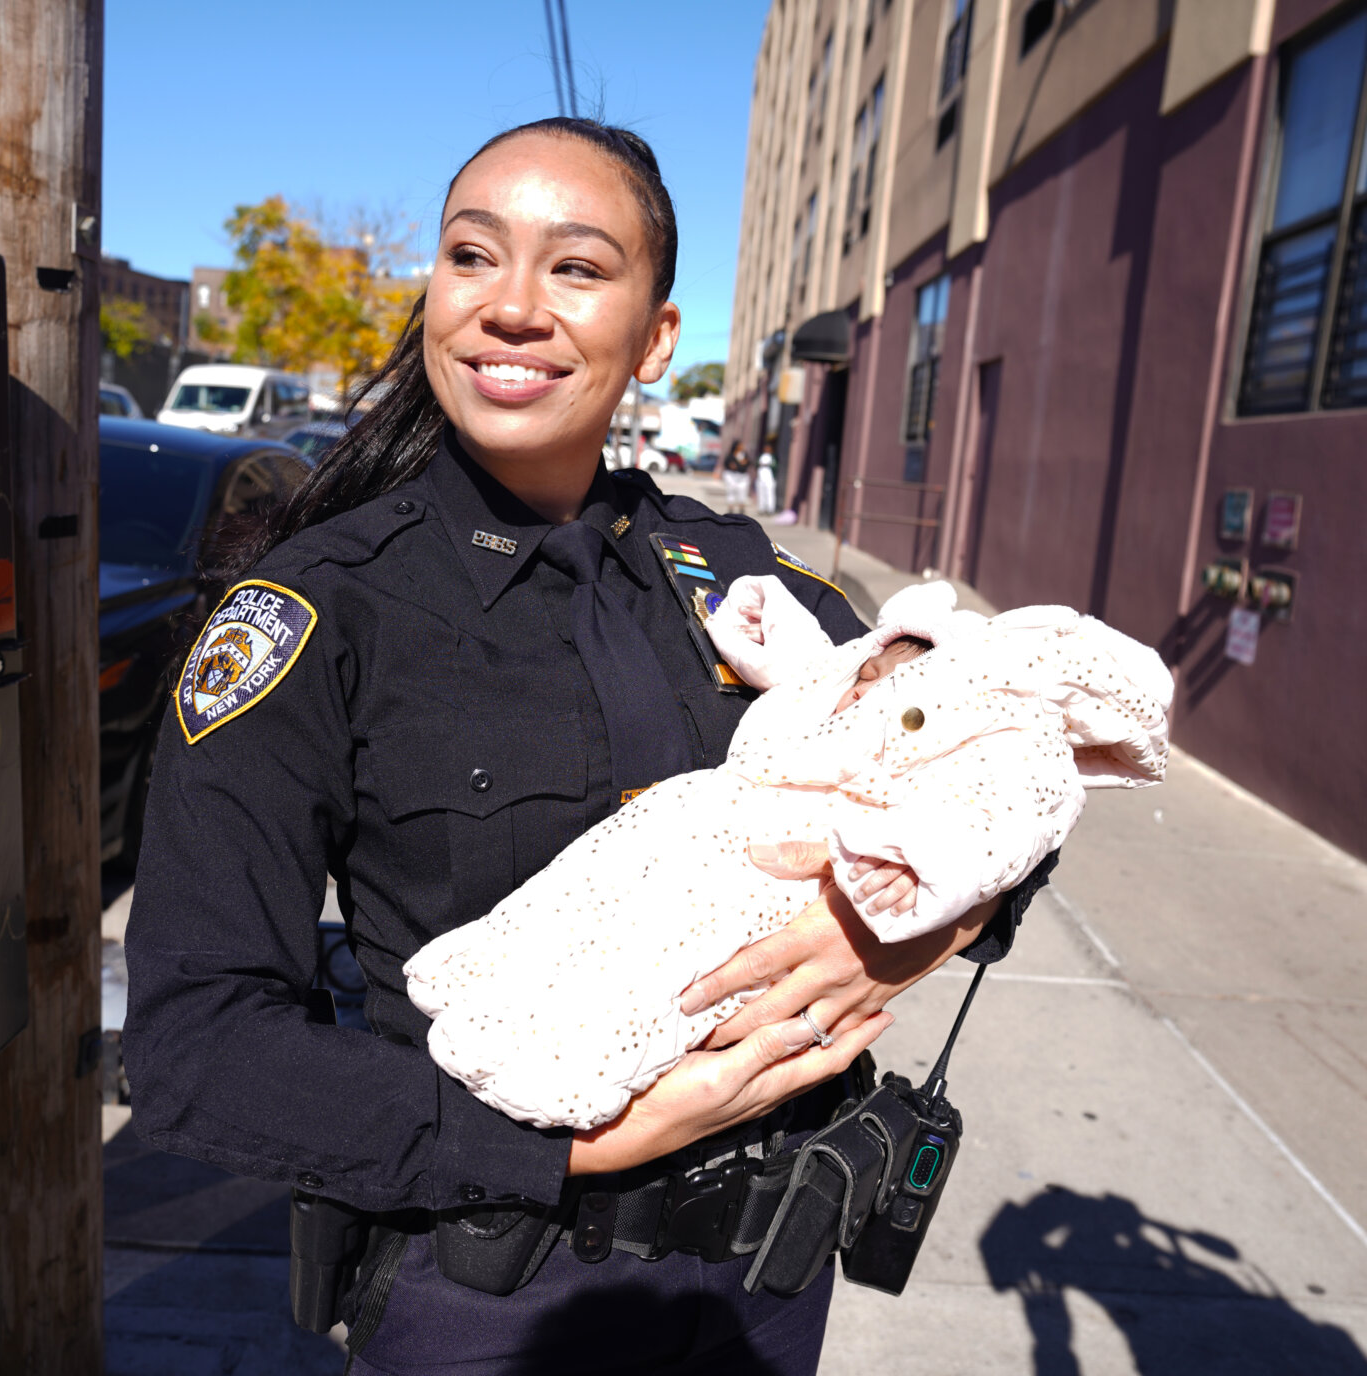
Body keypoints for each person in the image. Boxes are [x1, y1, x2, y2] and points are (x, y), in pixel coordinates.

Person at [124, 116, 1052, 1376]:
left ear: (656, 338)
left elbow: (1000, 759)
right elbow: (196, 1044)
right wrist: (567, 1144)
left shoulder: (742, 575)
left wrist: (904, 925)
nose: (510, 306)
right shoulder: (317, 611)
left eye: (574, 266)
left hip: (766, 1290)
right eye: (471, 256)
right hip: (499, 1303)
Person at [408, 578, 1170, 1131]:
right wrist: (764, 619)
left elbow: (1014, 807)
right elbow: (819, 669)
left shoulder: (990, 730)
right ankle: (479, 978)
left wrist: (926, 887)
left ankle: (565, 1070)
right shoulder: (841, 674)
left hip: (771, 874)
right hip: (689, 819)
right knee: (577, 896)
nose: (863, 692)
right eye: (866, 676)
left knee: (666, 959)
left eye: (887, 684)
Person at [721, 439, 752, 513]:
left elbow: (749, 463)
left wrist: (744, 463)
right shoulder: (730, 455)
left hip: (742, 476)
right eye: (740, 445)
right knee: (731, 491)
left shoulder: (744, 455)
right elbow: (726, 463)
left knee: (742, 491)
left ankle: (741, 508)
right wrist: (732, 465)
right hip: (732, 476)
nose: (742, 446)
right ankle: (731, 508)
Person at [755, 448, 777, 516]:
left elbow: (775, 466)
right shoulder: (761, 456)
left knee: (769, 493)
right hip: (761, 478)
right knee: (761, 493)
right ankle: (762, 508)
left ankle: (770, 509)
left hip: (769, 479)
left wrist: (767, 465)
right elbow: (756, 464)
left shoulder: (773, 457)